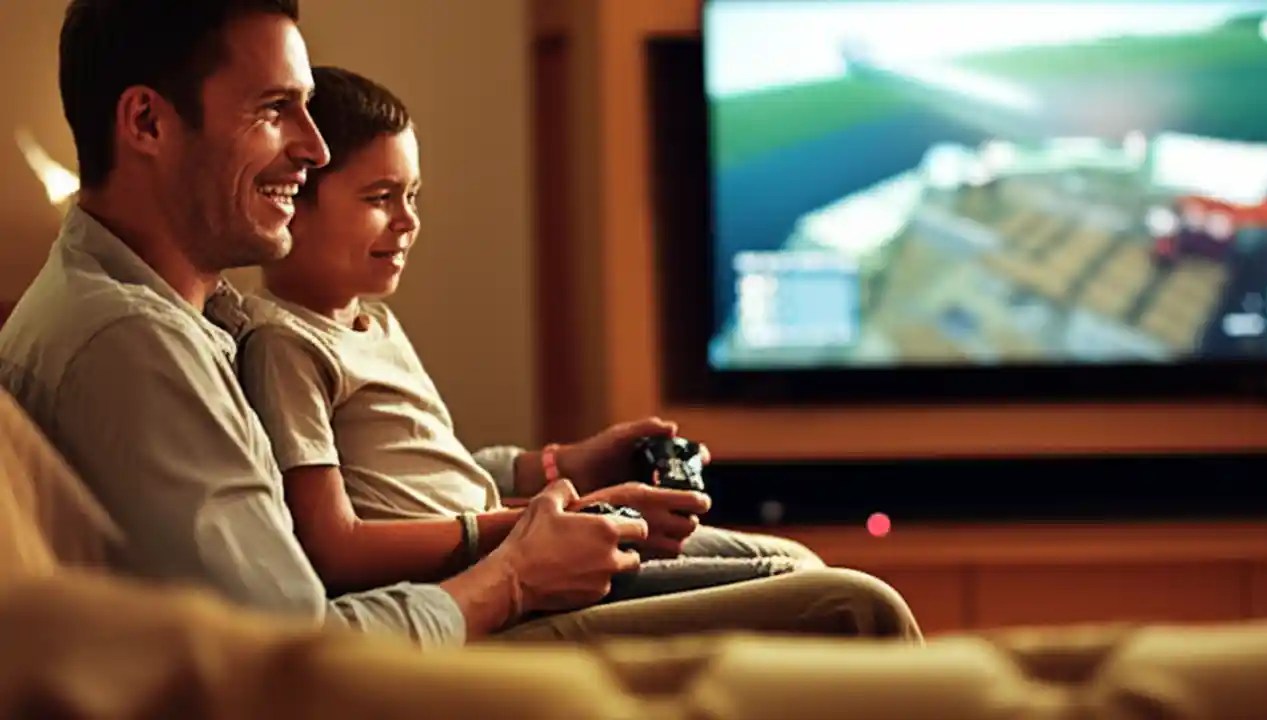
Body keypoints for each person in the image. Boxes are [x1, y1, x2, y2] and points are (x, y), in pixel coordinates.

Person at [0, 0, 922, 646]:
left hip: (436, 607)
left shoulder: (194, 320)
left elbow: (377, 473)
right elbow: (294, 653)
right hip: (406, 653)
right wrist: (515, 566)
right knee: (851, 609)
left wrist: (555, 472)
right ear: (147, 124)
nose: (312, 150)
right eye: (276, 110)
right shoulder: (133, 346)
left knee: (799, 569)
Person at [234, 65, 820, 608]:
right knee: (815, 593)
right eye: (379, 198)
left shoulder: (372, 323)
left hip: (518, 544)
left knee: (799, 561)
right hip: (498, 585)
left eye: (411, 196)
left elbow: (424, 483)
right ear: (294, 201)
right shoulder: (286, 345)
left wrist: (564, 469)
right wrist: (560, 519)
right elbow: (333, 547)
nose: (409, 221)